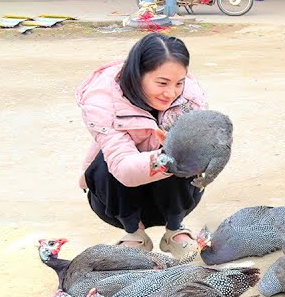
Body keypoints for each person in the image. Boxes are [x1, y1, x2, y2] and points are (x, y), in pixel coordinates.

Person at [76, 33, 207, 257]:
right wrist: (164, 158)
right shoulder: (103, 101)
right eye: (162, 83)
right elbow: (124, 168)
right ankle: (134, 232)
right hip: (121, 198)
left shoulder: (190, 99)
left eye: (179, 83)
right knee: (111, 160)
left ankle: (175, 228)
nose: (171, 92)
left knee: (183, 151)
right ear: (137, 75)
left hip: (173, 198)